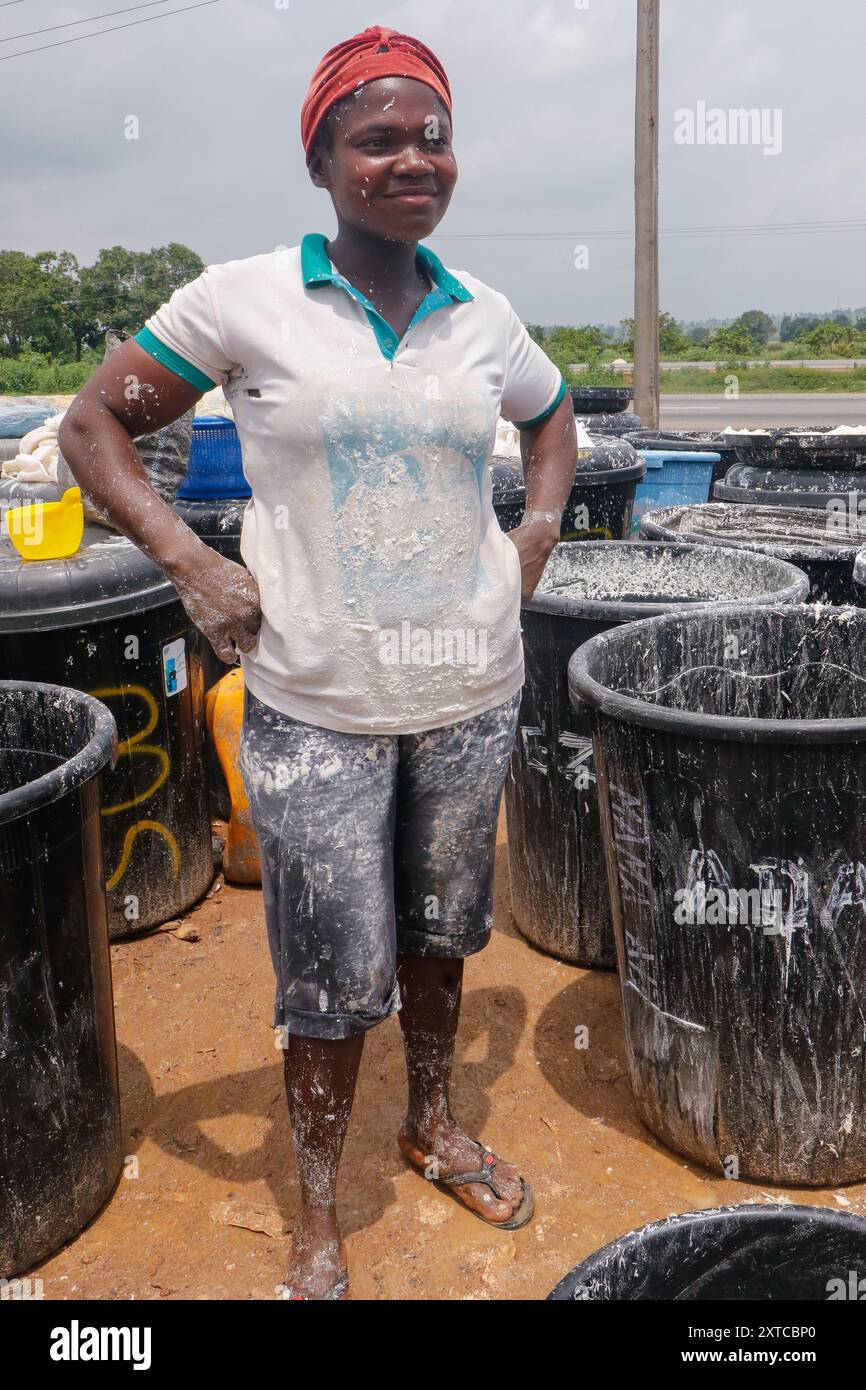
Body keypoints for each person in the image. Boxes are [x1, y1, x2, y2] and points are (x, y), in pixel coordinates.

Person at [59, 24, 577, 1300]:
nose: (412, 158)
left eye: (432, 135)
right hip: (316, 710)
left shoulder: (483, 315)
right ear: (323, 159)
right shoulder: (242, 299)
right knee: (330, 971)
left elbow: (554, 415)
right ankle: (315, 1206)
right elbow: (91, 427)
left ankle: (435, 1120)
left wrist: (536, 533)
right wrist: (189, 558)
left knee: (444, 932)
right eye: (377, 137)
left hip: (467, 693)